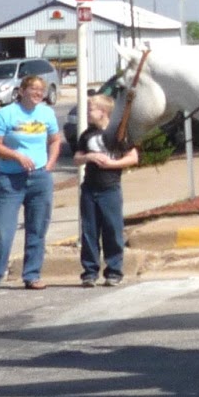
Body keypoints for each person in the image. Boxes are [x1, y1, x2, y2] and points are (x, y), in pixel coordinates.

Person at [0, 74, 62, 293]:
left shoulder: (47, 113)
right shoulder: (6, 114)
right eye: (33, 89)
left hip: (39, 178)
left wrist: (50, 163)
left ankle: (32, 275)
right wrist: (16, 156)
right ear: (21, 91)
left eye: (41, 90)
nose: (38, 93)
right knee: (2, 229)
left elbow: (55, 139)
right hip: (10, 179)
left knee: (37, 228)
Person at [73, 93, 140, 287]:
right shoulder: (87, 135)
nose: (87, 113)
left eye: (91, 110)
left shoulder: (118, 133)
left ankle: (114, 270)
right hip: (89, 188)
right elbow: (77, 157)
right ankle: (90, 272)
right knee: (89, 232)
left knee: (112, 230)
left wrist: (112, 164)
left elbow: (133, 157)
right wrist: (88, 157)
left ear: (103, 112)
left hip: (110, 188)